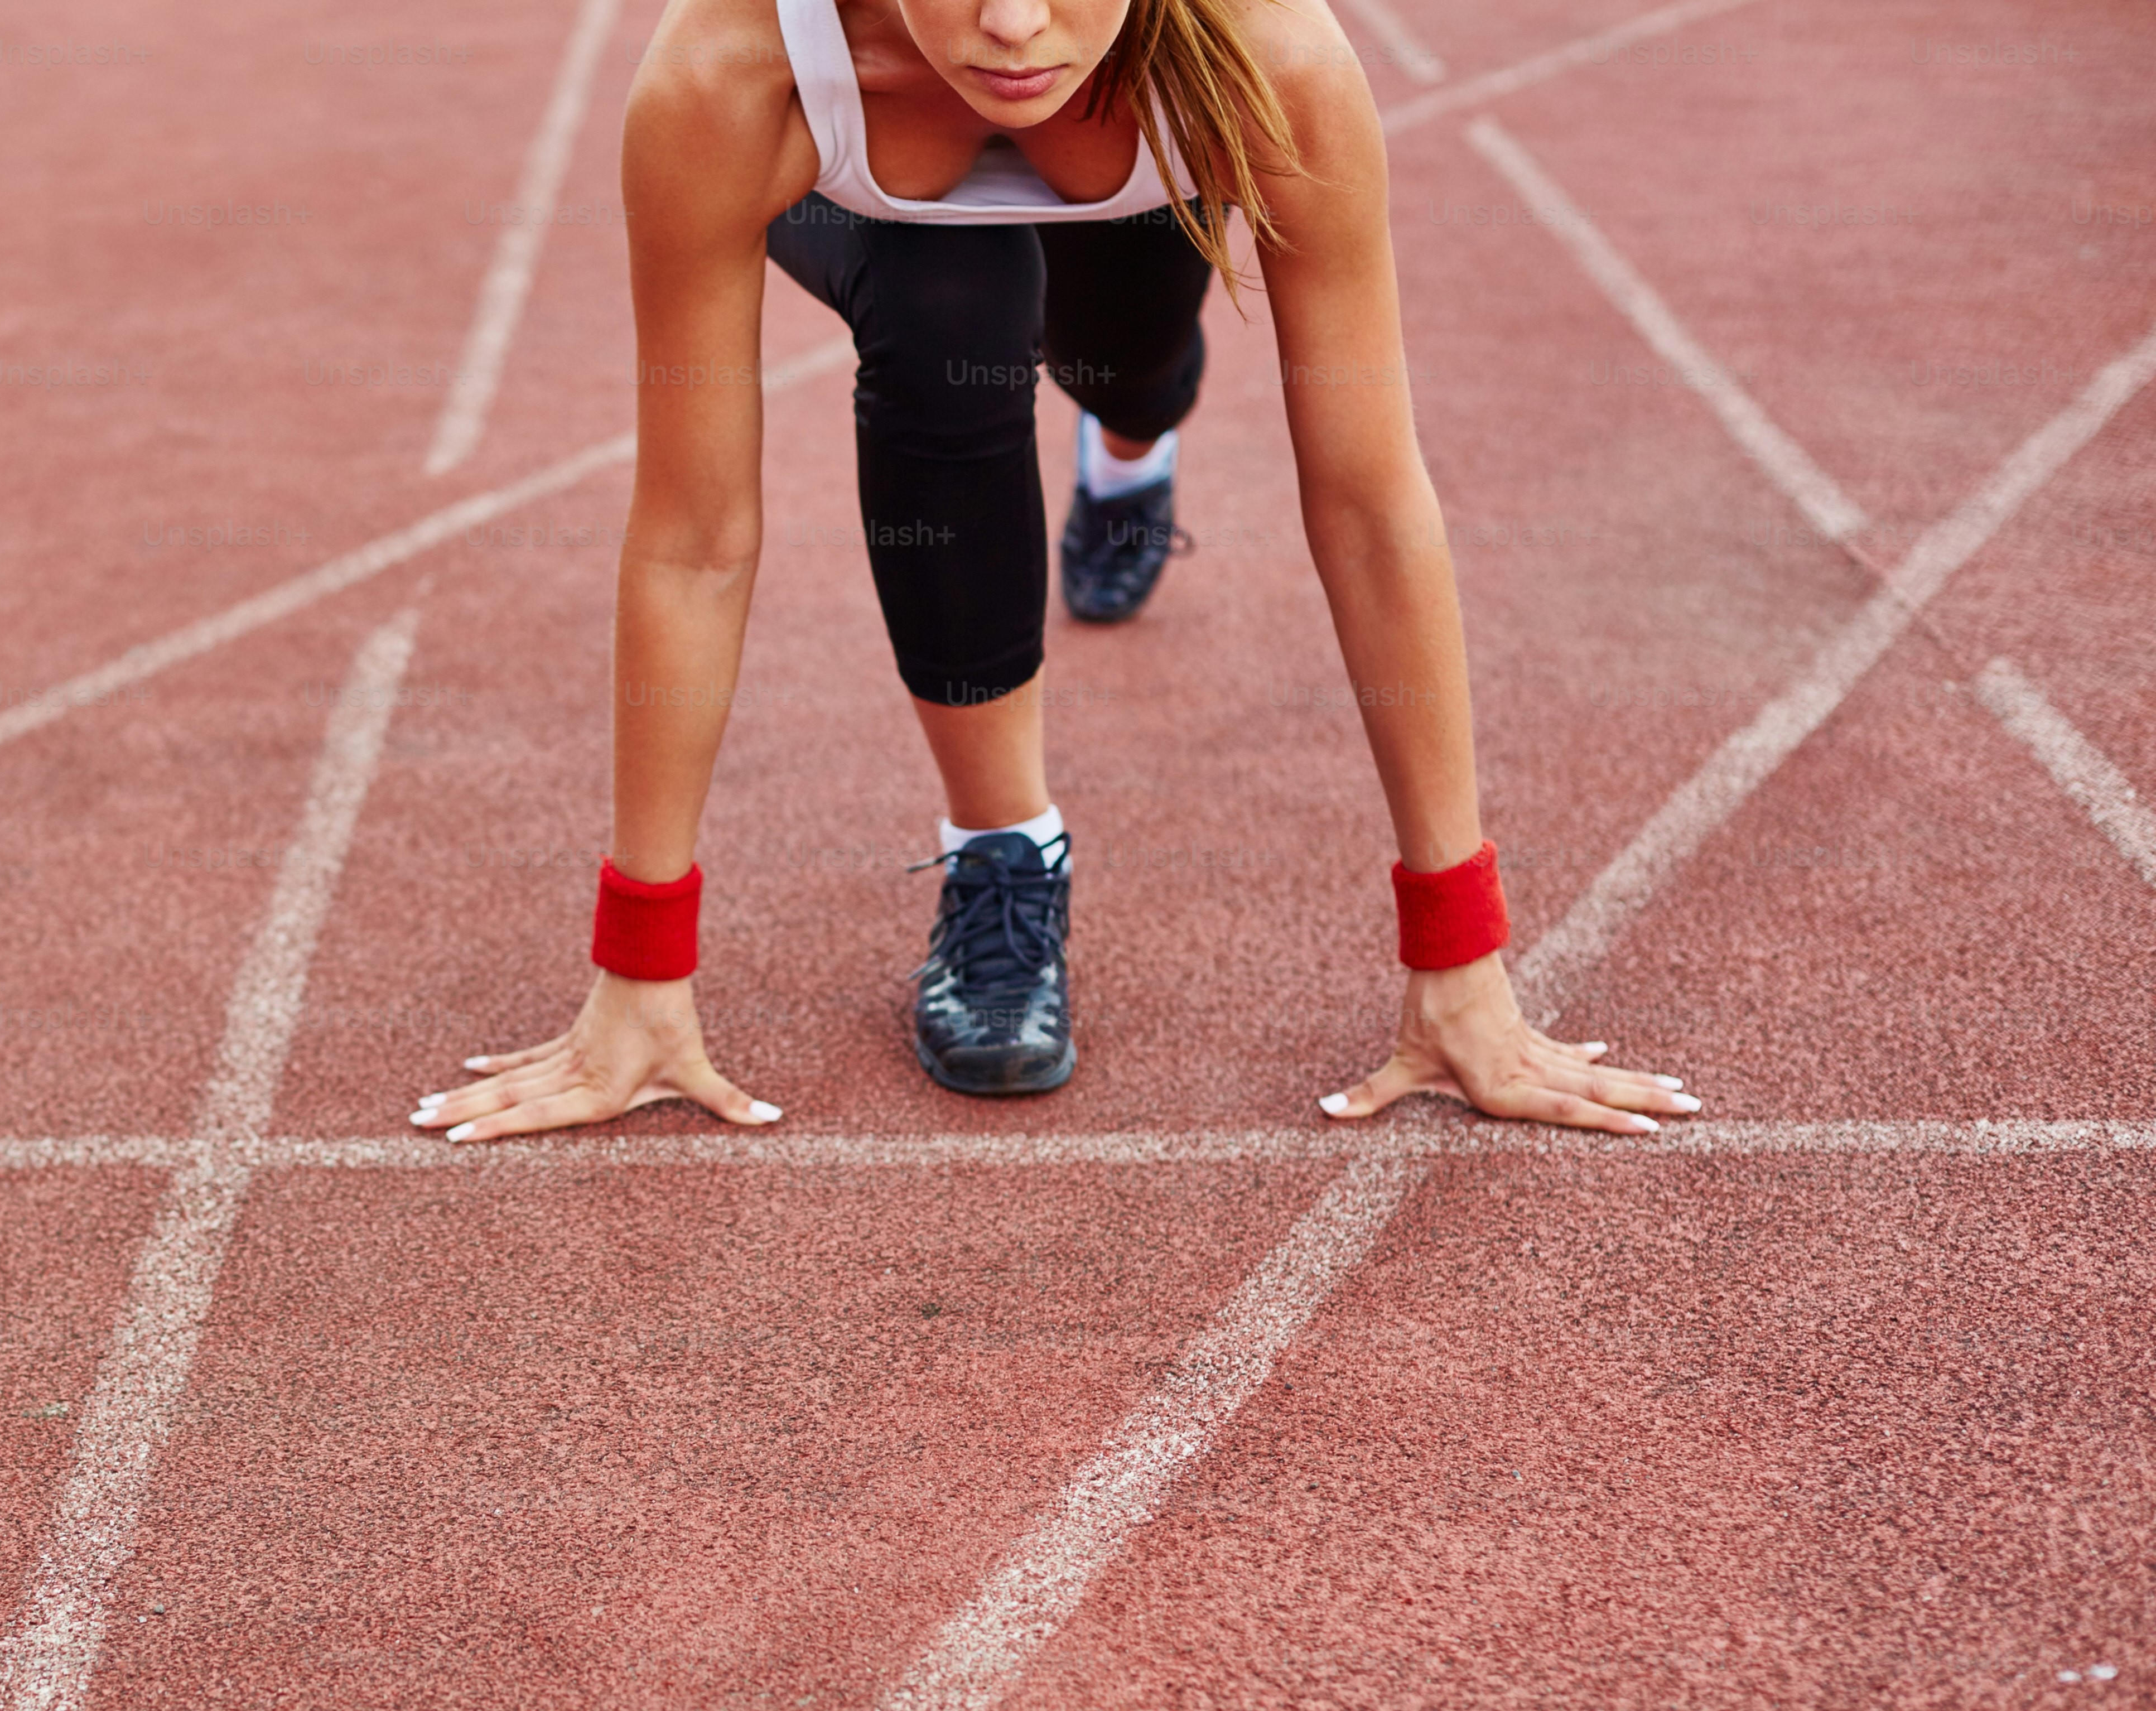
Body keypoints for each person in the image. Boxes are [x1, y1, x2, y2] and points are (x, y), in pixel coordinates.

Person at [410, 0, 1697, 1139]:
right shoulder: (739, 72)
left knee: (1124, 363)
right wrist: (639, 972)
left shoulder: (1278, 60)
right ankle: (1003, 851)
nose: (1015, 23)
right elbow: (694, 540)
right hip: (878, 201)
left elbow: (1366, 503)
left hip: (1140, 164)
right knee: (952, 319)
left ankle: (1133, 445)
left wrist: (1461, 960)